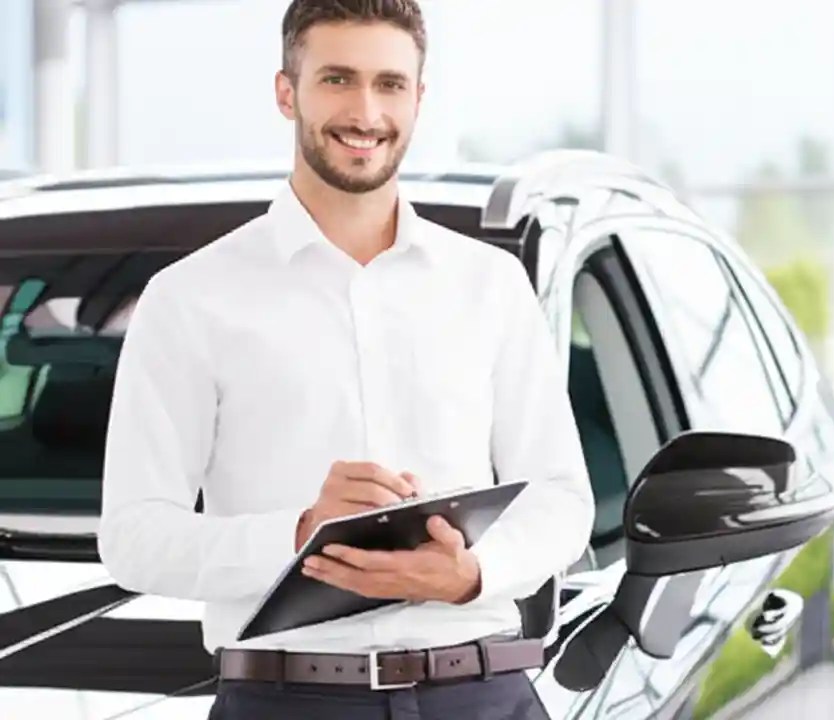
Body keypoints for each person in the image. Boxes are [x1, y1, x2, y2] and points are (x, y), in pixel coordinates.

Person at [96, 1, 594, 717]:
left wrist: (468, 574)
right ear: (286, 91)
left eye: (390, 84)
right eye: (337, 79)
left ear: (418, 99)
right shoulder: (190, 299)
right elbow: (135, 538)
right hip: (287, 701)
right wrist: (299, 534)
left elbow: (561, 498)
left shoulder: (489, 285)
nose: (366, 111)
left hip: (483, 694)